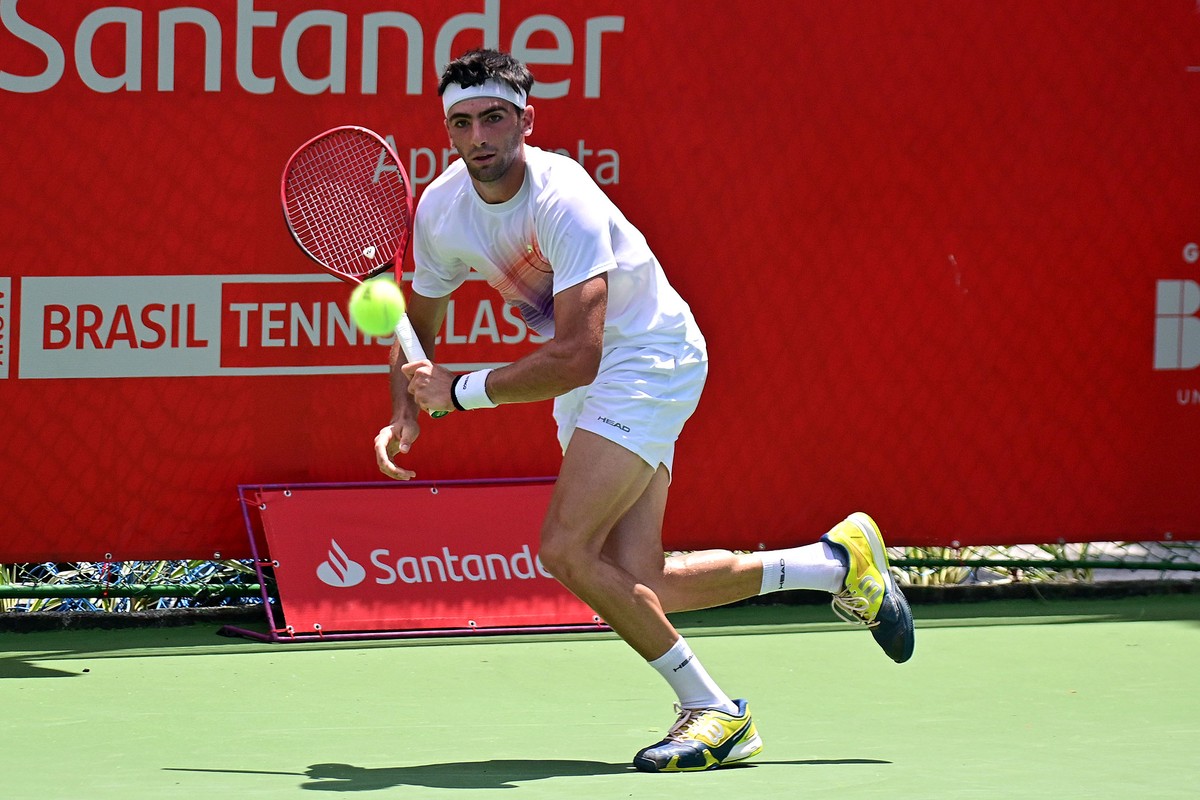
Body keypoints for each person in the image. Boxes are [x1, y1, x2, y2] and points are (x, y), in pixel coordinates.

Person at [373, 48, 914, 773]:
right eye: (462, 123)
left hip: (648, 356)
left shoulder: (563, 198)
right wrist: (406, 411)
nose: (478, 137)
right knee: (640, 581)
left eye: (494, 118)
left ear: (526, 120)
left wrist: (461, 391)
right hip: (592, 377)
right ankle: (832, 564)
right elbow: (420, 324)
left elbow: (577, 355)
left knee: (566, 549)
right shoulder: (442, 210)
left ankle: (714, 711)